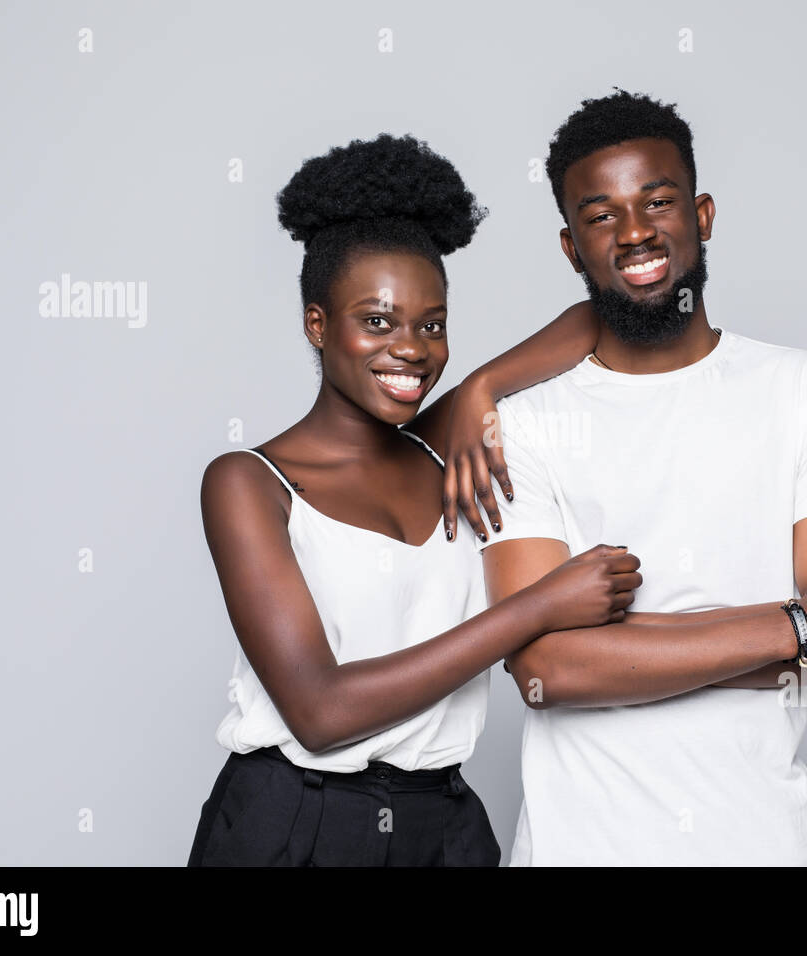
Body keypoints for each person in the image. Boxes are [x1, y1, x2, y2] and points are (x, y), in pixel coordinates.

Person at [474, 90, 807, 866]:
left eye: (658, 201)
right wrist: (797, 626)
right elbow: (545, 668)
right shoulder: (526, 424)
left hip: (761, 845)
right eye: (601, 215)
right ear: (572, 247)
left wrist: (610, 647)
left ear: (702, 215)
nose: (634, 231)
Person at [186, 133, 641, 867]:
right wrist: (538, 607)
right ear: (317, 324)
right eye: (377, 322)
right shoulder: (249, 482)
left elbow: (603, 316)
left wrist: (484, 387)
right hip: (295, 822)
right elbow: (321, 711)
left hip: (441, 823)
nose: (412, 349)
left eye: (432, 325)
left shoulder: (443, 450)